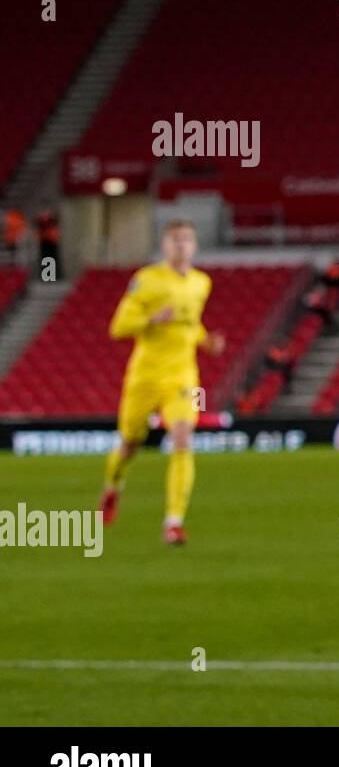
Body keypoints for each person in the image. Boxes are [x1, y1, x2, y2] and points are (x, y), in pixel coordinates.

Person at [98, 219, 225, 545]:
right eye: (174, 239)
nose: (181, 245)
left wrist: (206, 341)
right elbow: (118, 327)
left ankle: (173, 522)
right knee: (129, 443)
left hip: (184, 376)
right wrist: (150, 319)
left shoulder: (201, 283)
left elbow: (190, 323)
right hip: (145, 376)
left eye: (186, 239)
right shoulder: (146, 280)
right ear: (164, 245)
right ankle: (113, 487)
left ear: (194, 246)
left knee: (183, 438)